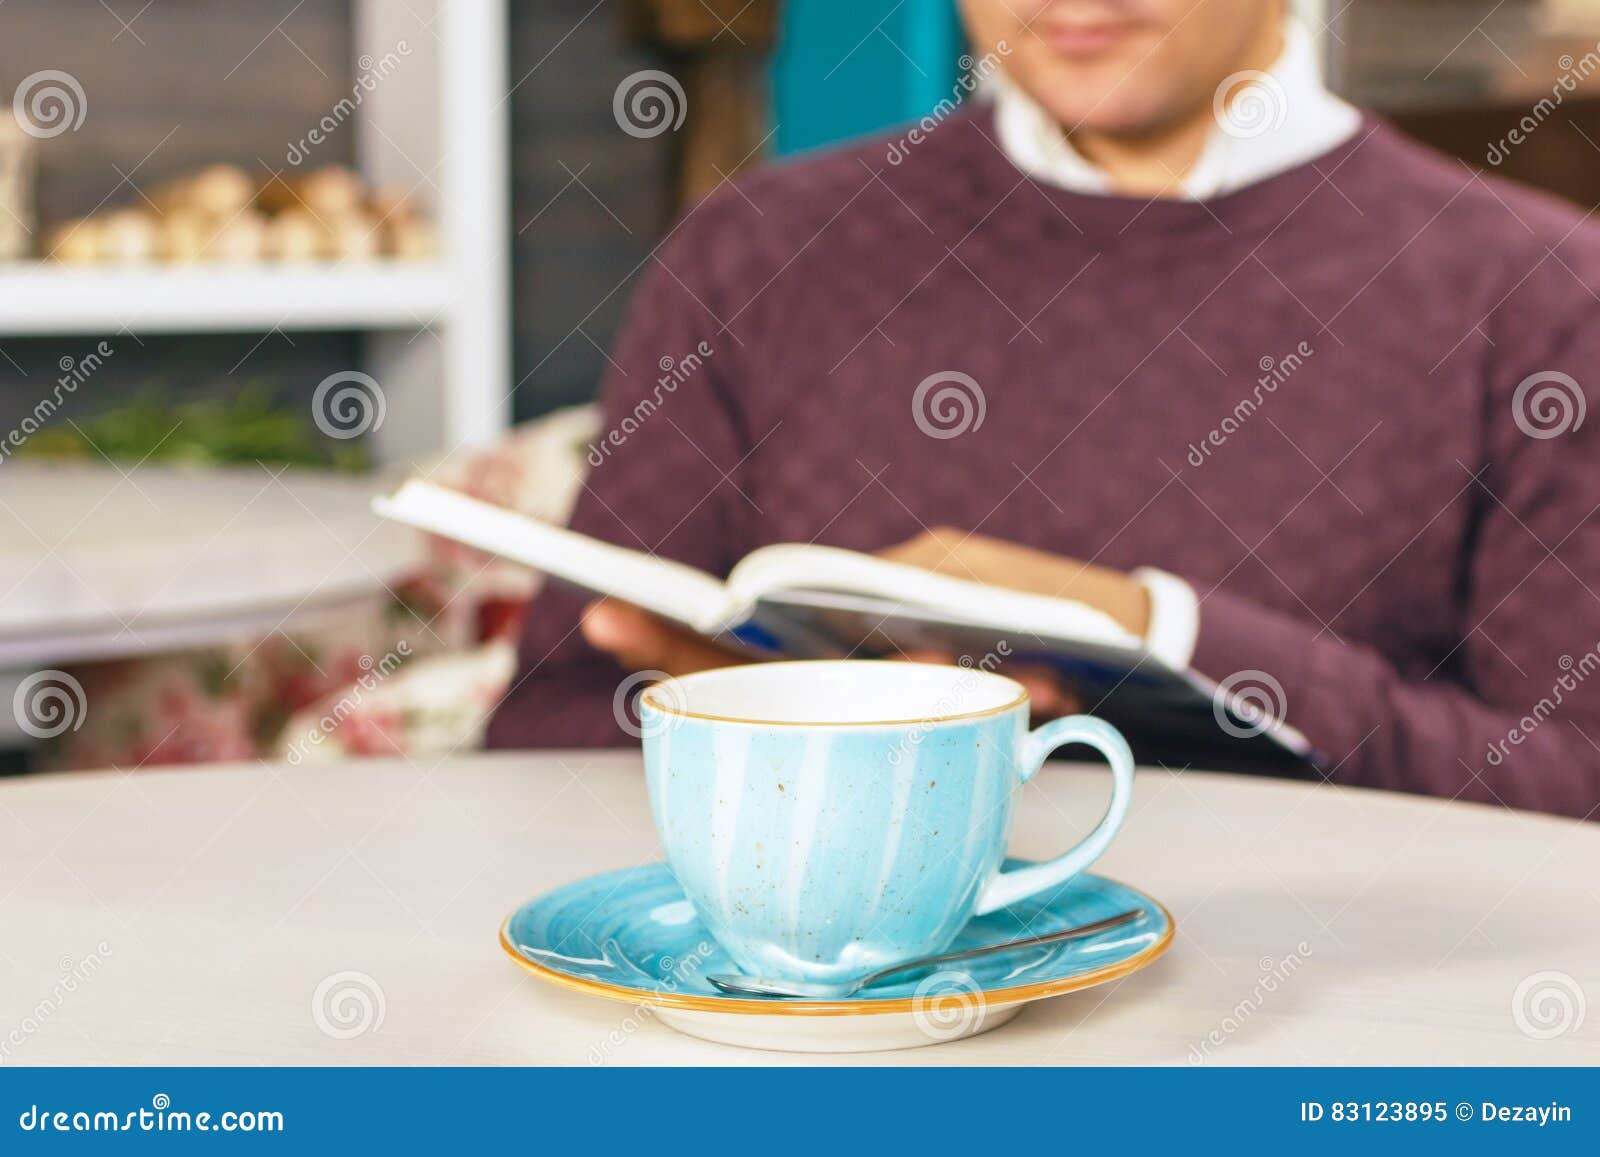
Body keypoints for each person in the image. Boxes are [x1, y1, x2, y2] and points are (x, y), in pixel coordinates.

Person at [488, 0, 1600, 819]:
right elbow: (543, 733)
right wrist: (799, 734)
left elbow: (1574, 786)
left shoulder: (1538, 294)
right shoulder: (763, 249)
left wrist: (1161, 631)